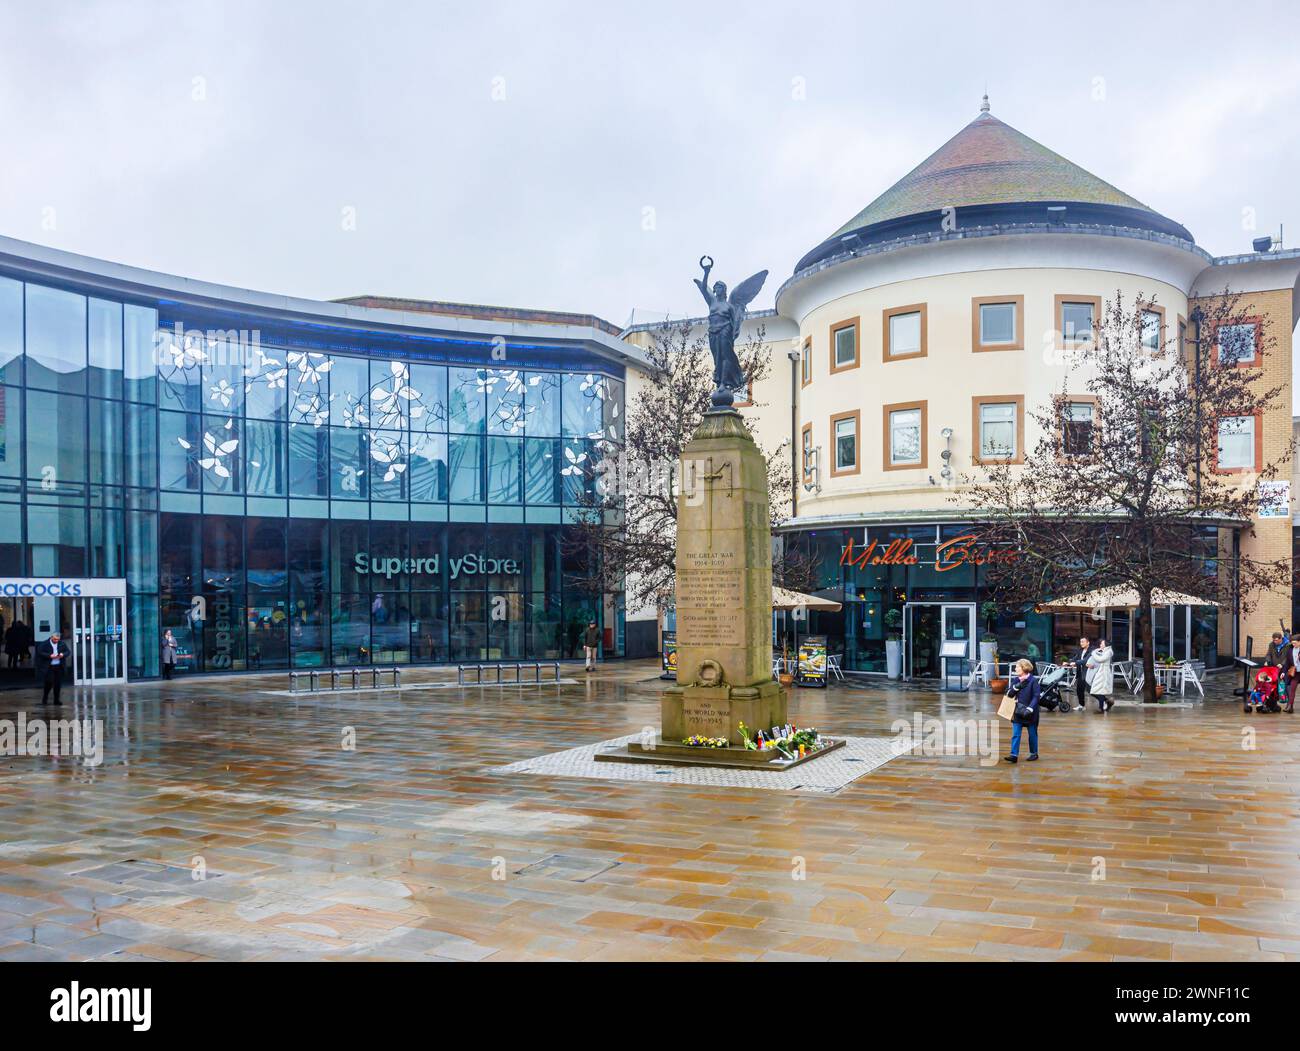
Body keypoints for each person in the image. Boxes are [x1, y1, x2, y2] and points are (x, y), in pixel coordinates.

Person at [1003, 658, 1041, 764]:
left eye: (1017, 667)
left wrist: (1030, 708)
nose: (1015, 668)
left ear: (1024, 668)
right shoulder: (1016, 680)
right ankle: (1013, 755)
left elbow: (1036, 696)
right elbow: (1009, 694)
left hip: (1031, 713)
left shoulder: (1033, 680)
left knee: (1032, 734)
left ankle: (1034, 753)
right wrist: (1016, 687)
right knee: (1016, 734)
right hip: (1018, 711)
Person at [35, 631, 70, 706]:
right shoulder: (44, 644)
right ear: (51, 637)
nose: (56, 641)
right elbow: (40, 652)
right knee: (49, 682)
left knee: (58, 684)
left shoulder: (62, 643)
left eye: (57, 639)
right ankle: (45, 698)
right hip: (49, 667)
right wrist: (49, 656)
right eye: (55, 639)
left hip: (58, 666)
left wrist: (62, 654)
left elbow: (68, 651)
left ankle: (56, 700)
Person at [1086, 636, 1115, 711]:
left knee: (1100, 690)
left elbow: (1100, 659)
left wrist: (1093, 653)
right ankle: (1107, 701)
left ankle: (1101, 708)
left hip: (1104, 673)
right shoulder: (1105, 651)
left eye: (1102, 644)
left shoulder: (1109, 652)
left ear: (1106, 644)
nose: (1100, 645)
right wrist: (1096, 651)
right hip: (1101, 671)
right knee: (1094, 690)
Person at [1067, 635, 1094, 712]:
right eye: (1080, 642)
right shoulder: (1080, 651)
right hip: (1081, 673)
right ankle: (1081, 706)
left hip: (1088, 673)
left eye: (1083, 642)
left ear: (1088, 642)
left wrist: (1075, 662)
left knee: (1091, 691)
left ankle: (1105, 701)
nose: (1081, 643)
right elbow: (1075, 658)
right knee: (1079, 690)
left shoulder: (1091, 651)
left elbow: (1085, 661)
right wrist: (1068, 662)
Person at [1278, 634, 1300, 713]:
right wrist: (1283, 672)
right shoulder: (1290, 650)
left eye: (1295, 643)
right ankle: (1290, 706)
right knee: (1292, 689)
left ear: (1299, 642)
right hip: (1295, 673)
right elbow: (1287, 662)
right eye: (1292, 643)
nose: (1293, 645)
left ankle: (1289, 706)